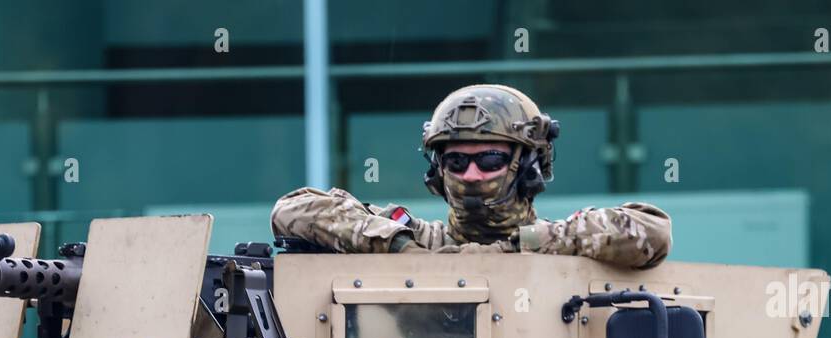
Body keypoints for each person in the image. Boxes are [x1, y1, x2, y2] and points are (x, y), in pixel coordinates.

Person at [271, 84, 671, 267]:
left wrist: (524, 247)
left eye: (491, 158)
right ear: (438, 171)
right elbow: (293, 211)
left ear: (529, 166)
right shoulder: (417, 242)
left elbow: (652, 231)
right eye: (457, 162)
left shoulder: (564, 244)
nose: (473, 175)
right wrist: (399, 249)